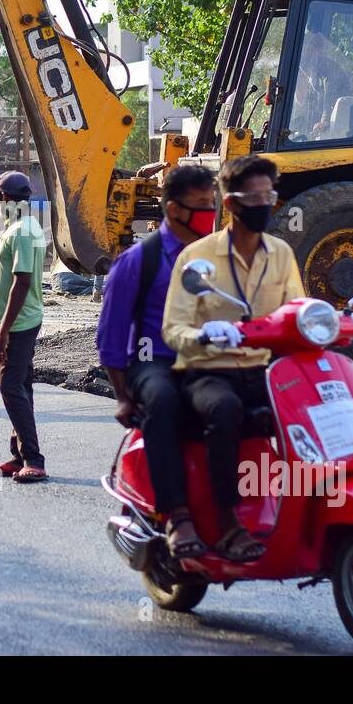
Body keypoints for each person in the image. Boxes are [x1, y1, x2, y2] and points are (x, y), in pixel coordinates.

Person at [162, 153, 353, 562]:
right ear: (230, 204)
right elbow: (173, 330)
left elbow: (296, 312)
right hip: (207, 372)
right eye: (256, 197)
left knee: (315, 410)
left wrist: (342, 318)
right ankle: (228, 524)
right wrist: (206, 333)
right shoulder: (197, 260)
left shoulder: (280, 253)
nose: (266, 204)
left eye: (270, 196)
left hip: (264, 369)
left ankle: (310, 510)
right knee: (226, 409)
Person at [96, 163, 218, 558]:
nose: (210, 212)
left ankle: (232, 510)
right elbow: (111, 336)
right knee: (165, 401)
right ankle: (178, 515)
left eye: (212, 203)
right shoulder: (138, 261)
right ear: (172, 210)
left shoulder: (218, 258)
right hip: (153, 364)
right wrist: (123, 395)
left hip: (205, 361)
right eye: (201, 205)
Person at [0, 170, 48, 484]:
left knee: (10, 386)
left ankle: (33, 459)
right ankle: (19, 454)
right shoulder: (27, 226)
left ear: (6, 199)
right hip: (26, 318)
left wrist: (3, 330)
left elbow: (21, 283)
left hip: (19, 322)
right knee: (21, 385)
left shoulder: (21, 231)